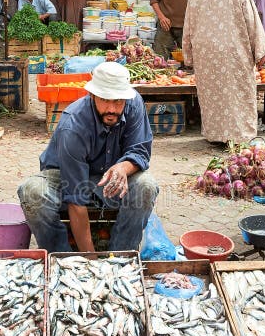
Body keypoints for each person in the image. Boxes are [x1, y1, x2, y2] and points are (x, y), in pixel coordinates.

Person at [17, 62, 159, 252]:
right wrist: (89, 261)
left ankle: (121, 256)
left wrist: (123, 167)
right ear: (92, 95)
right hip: (65, 177)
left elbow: (140, 150)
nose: (111, 108)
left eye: (118, 101)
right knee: (32, 191)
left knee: (146, 186)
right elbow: (76, 199)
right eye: (105, 100)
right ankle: (63, 257)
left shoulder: (134, 103)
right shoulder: (73, 125)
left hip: (109, 177)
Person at [182, 0, 265, 144]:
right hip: (234, 50)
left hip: (205, 52)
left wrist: (188, 54)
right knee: (237, 91)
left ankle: (215, 135)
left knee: (212, 94)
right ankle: (239, 135)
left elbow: (188, 25)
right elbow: (252, 19)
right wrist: (260, 49)